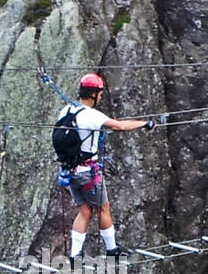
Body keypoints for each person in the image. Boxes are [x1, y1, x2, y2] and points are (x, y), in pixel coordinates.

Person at [59, 73, 153, 260]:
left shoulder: (66, 111)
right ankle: (112, 250)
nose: (101, 98)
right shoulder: (91, 116)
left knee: (84, 211)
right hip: (88, 172)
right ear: (93, 94)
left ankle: (75, 254)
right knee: (103, 208)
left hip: (69, 172)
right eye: (100, 94)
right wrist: (145, 124)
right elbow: (119, 126)